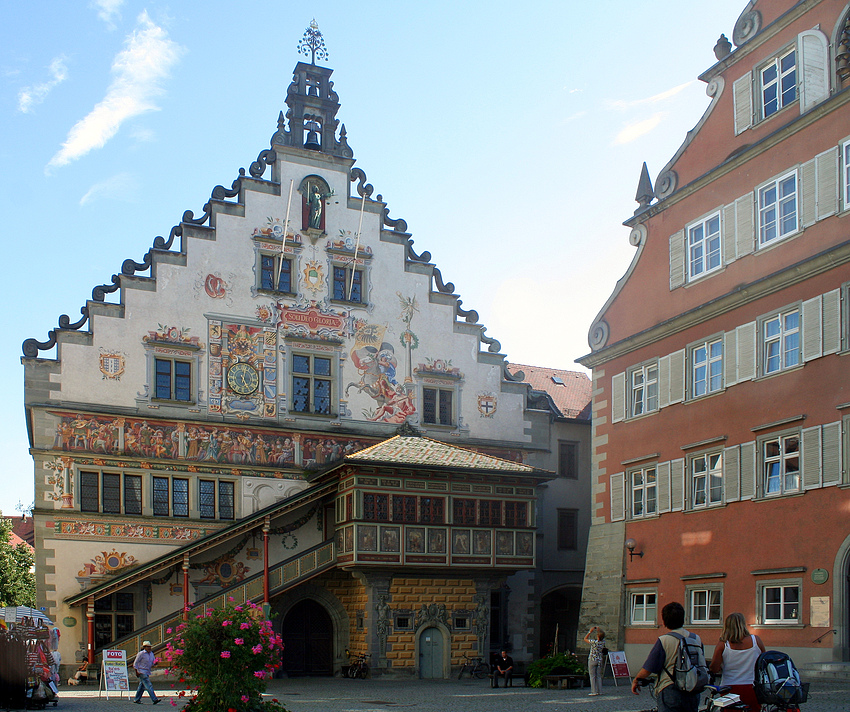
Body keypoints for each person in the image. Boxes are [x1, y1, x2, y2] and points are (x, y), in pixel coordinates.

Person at [631, 602, 703, 712]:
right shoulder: (696, 638)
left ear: (665, 621)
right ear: (683, 618)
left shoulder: (664, 640)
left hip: (670, 688)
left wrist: (637, 679)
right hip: (692, 688)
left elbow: (649, 667)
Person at [709, 612, 765, 712]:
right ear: (743, 624)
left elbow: (714, 668)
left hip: (729, 688)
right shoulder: (756, 640)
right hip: (752, 687)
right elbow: (764, 661)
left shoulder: (723, 644)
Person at [583, 625, 606, 696]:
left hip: (592, 659)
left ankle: (594, 691)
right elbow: (602, 637)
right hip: (599, 660)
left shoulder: (594, 642)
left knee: (592, 676)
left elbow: (585, 639)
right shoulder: (603, 642)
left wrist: (590, 631)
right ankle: (600, 691)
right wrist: (599, 630)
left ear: (597, 636)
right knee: (598, 676)